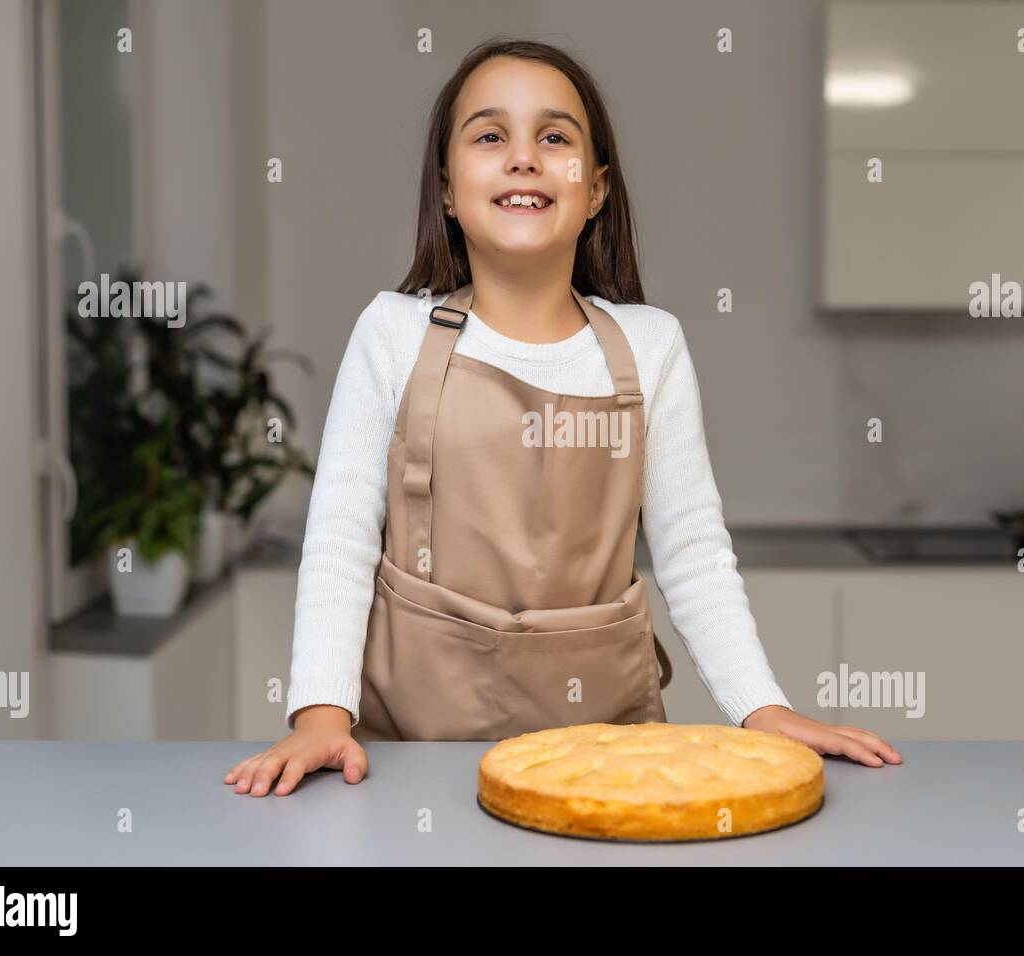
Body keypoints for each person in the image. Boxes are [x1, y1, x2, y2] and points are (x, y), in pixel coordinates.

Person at [226, 37, 900, 798]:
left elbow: (693, 551)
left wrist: (762, 709)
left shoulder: (652, 346)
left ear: (597, 188)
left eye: (554, 138)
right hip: (412, 763)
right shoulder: (392, 333)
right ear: (447, 189)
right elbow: (342, 537)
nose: (524, 158)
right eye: (489, 136)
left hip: (607, 762)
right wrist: (321, 714)